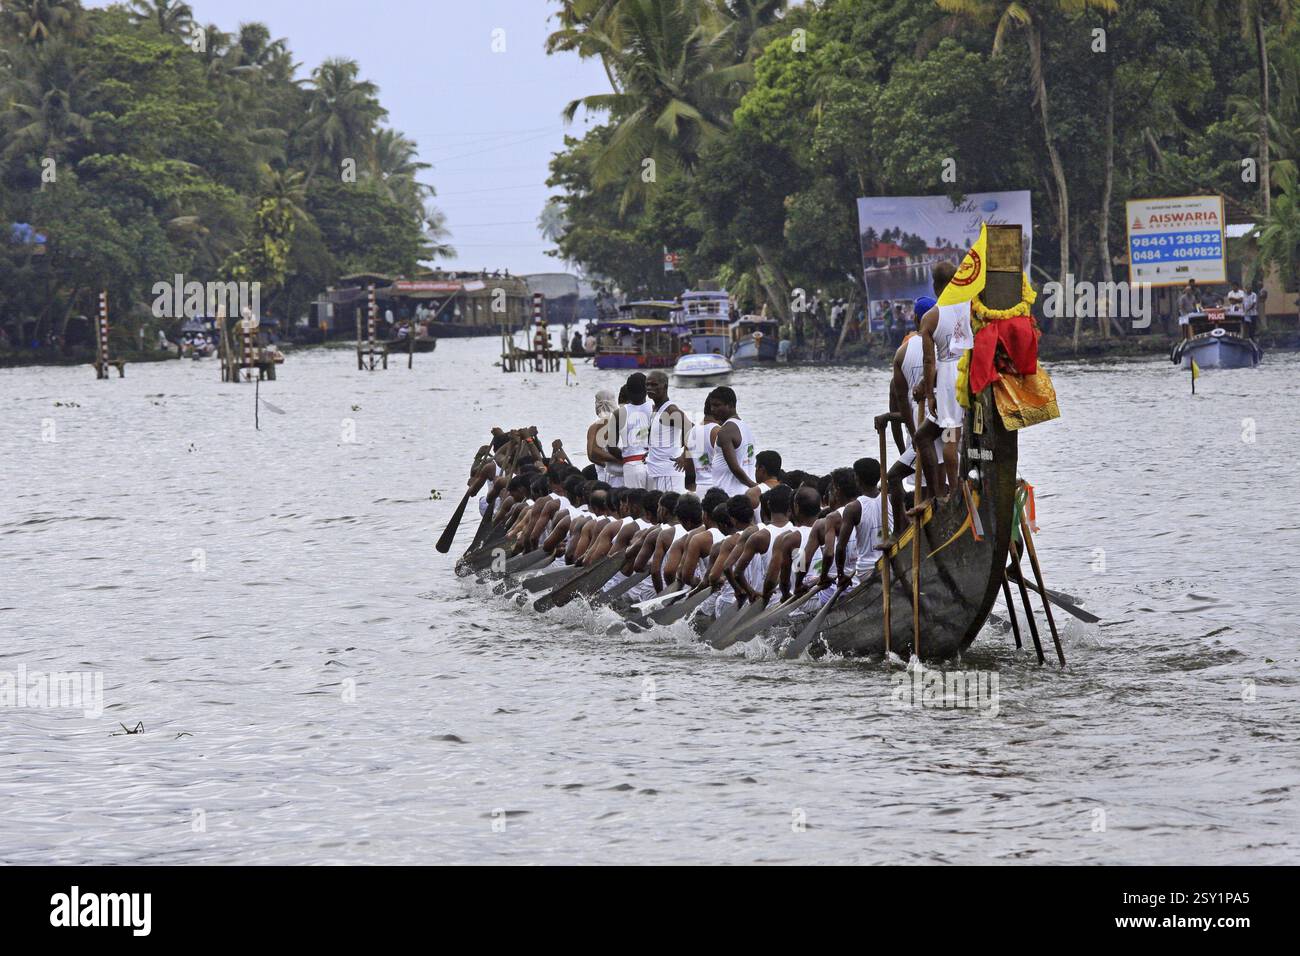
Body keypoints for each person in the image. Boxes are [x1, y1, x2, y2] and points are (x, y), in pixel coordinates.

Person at [911, 261, 962, 507]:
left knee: (950, 437)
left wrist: (930, 394)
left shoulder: (930, 318)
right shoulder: (969, 308)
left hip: (949, 380)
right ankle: (943, 492)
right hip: (968, 371)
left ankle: (953, 495)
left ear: (934, 285)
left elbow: (929, 360)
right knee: (932, 435)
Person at [645, 370, 692, 493]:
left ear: (665, 386)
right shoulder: (655, 408)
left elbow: (692, 428)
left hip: (669, 472)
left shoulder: (670, 410)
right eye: (647, 385)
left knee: (670, 510)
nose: (649, 388)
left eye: (654, 385)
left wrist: (684, 456)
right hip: (656, 471)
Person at [706, 386, 757, 497]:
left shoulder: (726, 430)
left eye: (717, 405)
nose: (712, 409)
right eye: (711, 405)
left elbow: (735, 468)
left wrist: (754, 486)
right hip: (746, 493)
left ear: (730, 405)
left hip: (730, 494)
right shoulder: (745, 427)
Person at [614, 373, 654, 490]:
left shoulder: (618, 414)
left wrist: (628, 453)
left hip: (631, 464)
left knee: (634, 506)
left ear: (628, 391)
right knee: (654, 504)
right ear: (647, 390)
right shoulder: (656, 409)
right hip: (653, 464)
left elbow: (611, 447)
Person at [586, 389, 622, 486]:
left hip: (606, 474)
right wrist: (618, 462)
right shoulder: (621, 420)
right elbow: (592, 455)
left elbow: (591, 456)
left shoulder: (595, 425)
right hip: (615, 472)